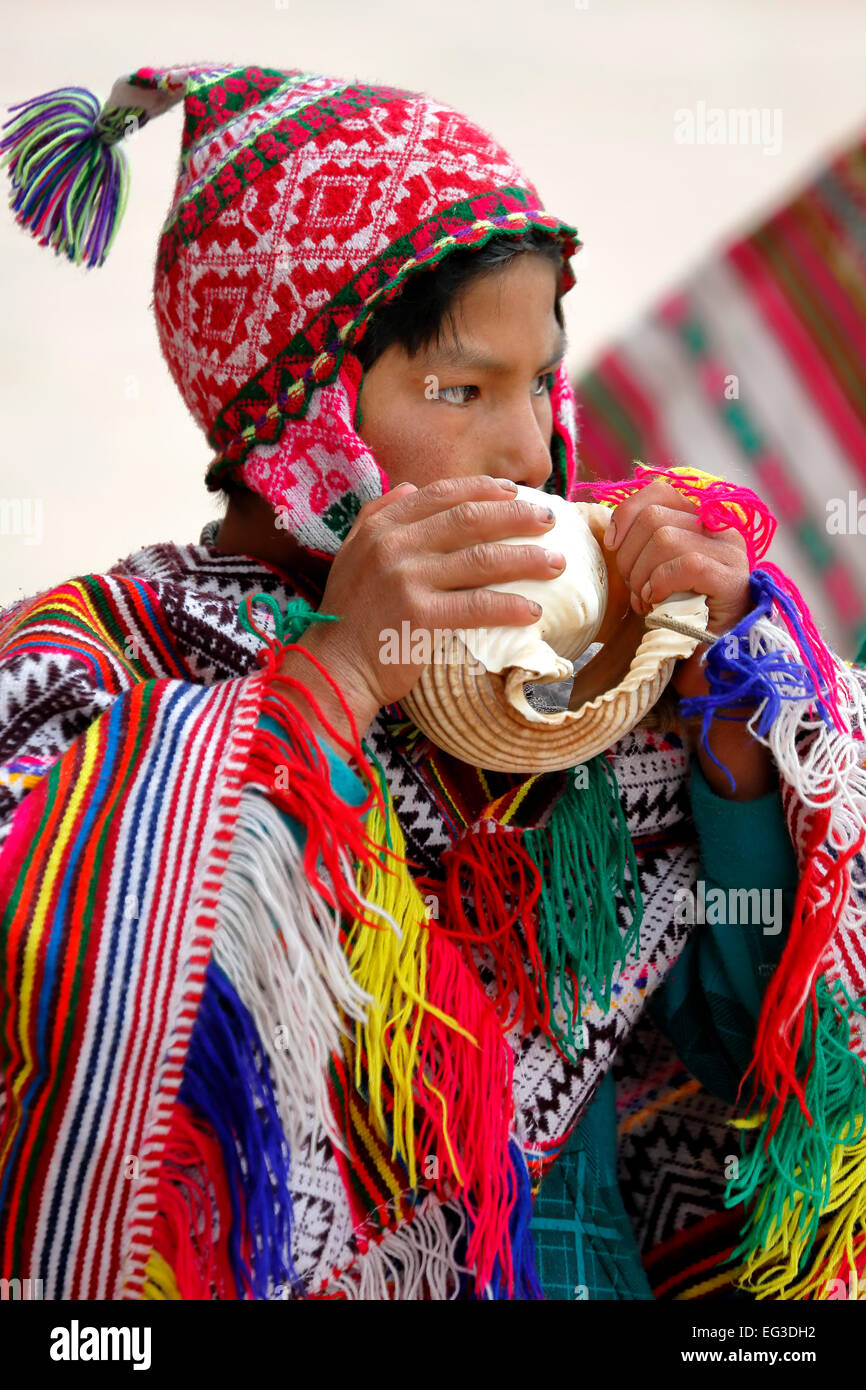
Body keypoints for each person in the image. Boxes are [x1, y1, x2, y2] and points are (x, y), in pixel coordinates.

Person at [0, 60, 864, 1302]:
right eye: (459, 389)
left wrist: (734, 704)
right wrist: (336, 680)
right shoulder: (100, 661)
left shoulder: (574, 682)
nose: (531, 448)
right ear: (303, 424)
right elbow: (81, 1062)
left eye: (539, 383)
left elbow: (755, 1048)